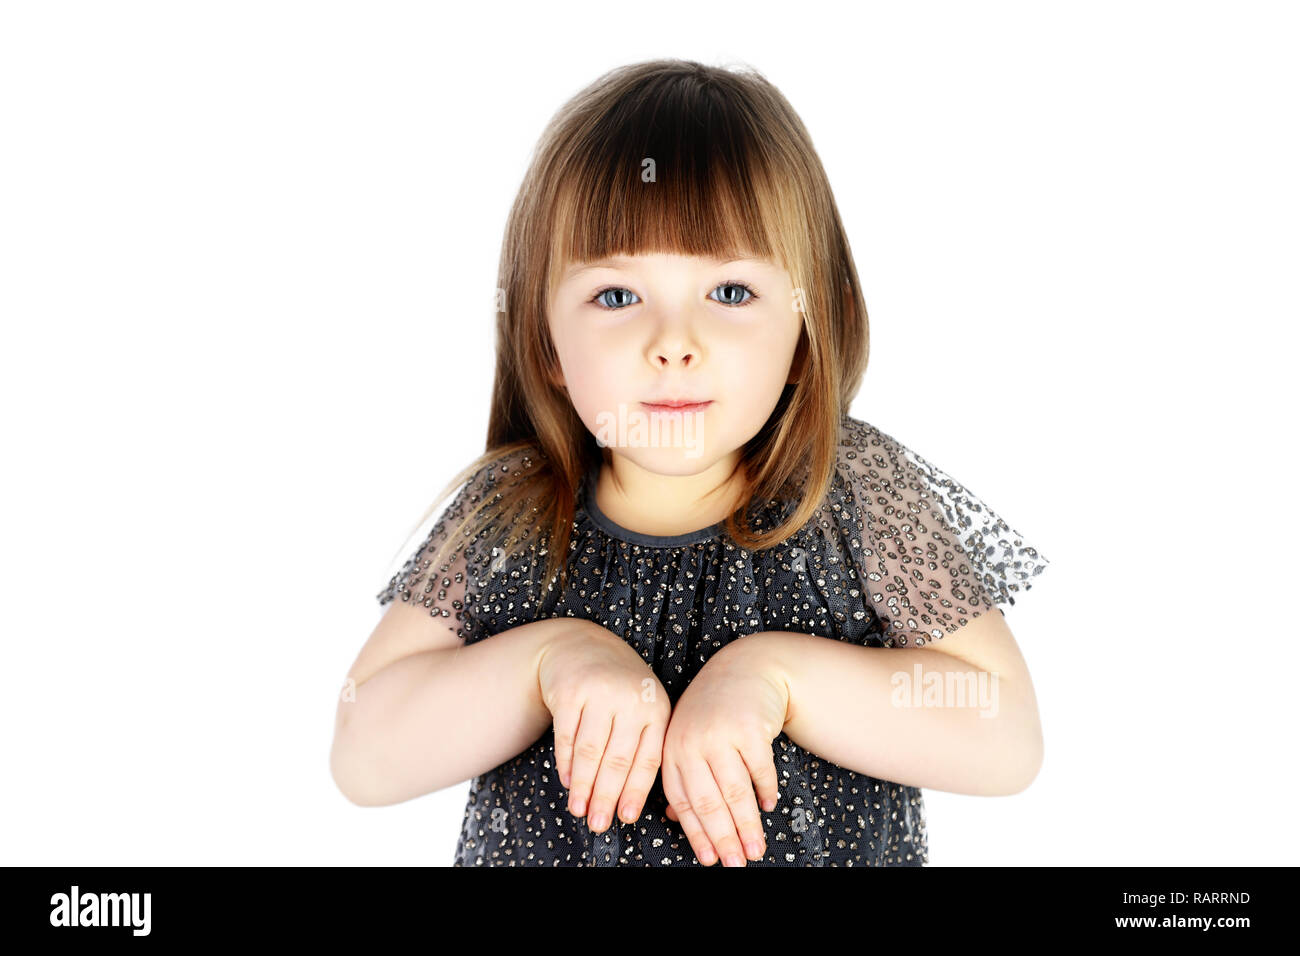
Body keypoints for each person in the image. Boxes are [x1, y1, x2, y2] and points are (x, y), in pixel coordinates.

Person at [331, 57, 1050, 866]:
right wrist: (548, 661)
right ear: (547, 344)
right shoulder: (515, 512)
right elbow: (363, 752)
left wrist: (776, 676)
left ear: (810, 327)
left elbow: (1007, 737)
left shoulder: (853, 492)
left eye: (731, 293)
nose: (674, 343)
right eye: (615, 296)